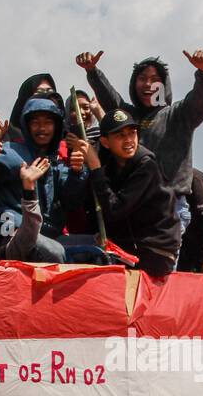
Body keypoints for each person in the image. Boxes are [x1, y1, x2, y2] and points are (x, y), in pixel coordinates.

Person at [75, 49, 203, 231]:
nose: (148, 84)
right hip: (131, 205)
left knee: (161, 260)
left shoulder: (180, 114)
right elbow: (111, 100)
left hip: (169, 207)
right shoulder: (128, 117)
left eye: (155, 79)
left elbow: (202, 99)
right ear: (134, 84)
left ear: (164, 85)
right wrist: (92, 71)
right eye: (142, 78)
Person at [65, 108, 181, 276]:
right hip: (126, 245)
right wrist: (77, 171)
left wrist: (95, 167)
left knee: (89, 261)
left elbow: (115, 210)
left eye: (132, 133)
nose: (128, 141)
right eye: (120, 135)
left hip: (154, 252)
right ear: (105, 142)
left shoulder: (147, 166)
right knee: (63, 248)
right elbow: (77, 202)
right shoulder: (110, 164)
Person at [0, 96, 86, 240]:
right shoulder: (9, 152)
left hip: (50, 238)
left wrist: (77, 172)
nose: (42, 128)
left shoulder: (57, 165)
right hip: (11, 235)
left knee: (95, 249)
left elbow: (71, 201)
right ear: (27, 126)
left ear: (57, 126)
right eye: (35, 123)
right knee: (55, 251)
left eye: (48, 123)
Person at [6, 72, 58, 144]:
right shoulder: (9, 144)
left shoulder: (69, 141)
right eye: (40, 92)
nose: (47, 95)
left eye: (50, 91)